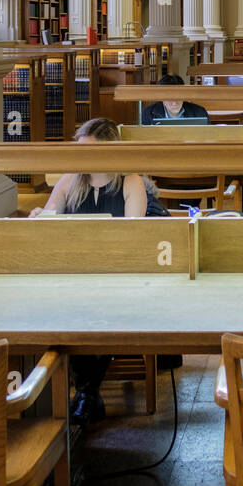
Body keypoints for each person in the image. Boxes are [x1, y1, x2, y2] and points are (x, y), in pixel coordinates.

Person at [27, 118, 171, 424]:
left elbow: (132, 237)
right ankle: (82, 392)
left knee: (101, 308)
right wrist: (40, 216)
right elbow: (49, 217)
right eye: (80, 151)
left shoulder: (130, 182)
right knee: (66, 306)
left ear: (110, 151)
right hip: (76, 273)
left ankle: (86, 392)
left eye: (90, 152)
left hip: (118, 274)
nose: (83, 159)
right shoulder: (70, 181)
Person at [141, 73, 209, 125]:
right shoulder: (147, 113)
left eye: (178, 97)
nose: (174, 103)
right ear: (161, 99)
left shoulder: (199, 112)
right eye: (169, 99)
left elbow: (208, 137)